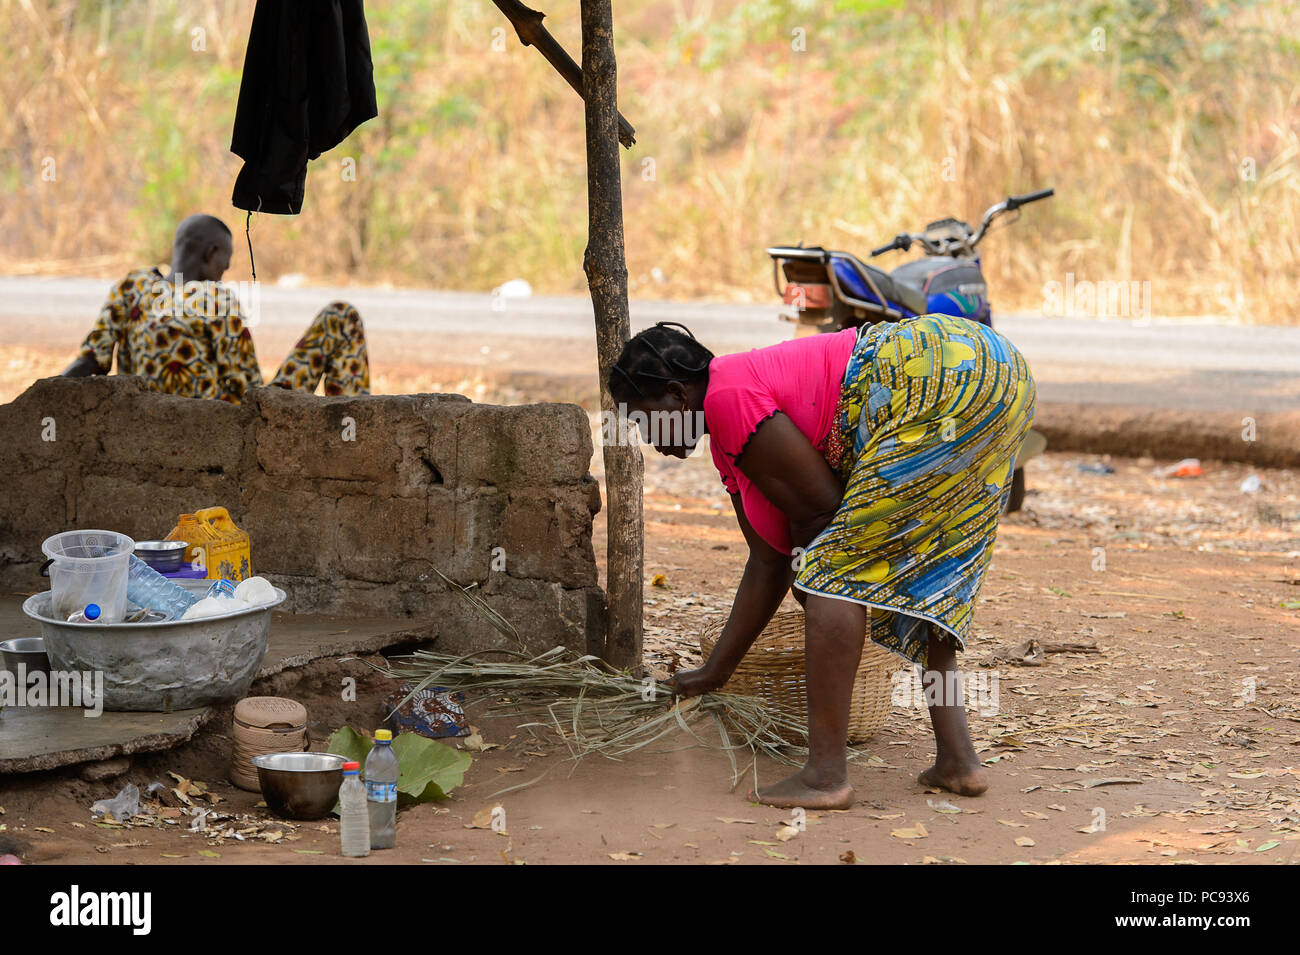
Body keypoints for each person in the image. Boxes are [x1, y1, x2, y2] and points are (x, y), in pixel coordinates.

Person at [609, 315, 1036, 809]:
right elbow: (769, 563)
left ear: (678, 394)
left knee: (832, 574)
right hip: (993, 372)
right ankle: (959, 762)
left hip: (933, 375)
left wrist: (819, 592)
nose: (644, 436)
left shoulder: (729, 396)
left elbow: (819, 512)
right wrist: (713, 673)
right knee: (927, 580)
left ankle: (825, 776)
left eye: (643, 417)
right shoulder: (733, 426)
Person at [62, 214, 370, 403]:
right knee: (341, 316)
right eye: (227, 257)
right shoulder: (214, 299)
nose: (229, 265)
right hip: (230, 429)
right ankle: (354, 435)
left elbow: (90, 360)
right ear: (212, 253)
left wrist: (43, 399)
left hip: (148, 423)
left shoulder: (131, 286)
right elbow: (246, 390)